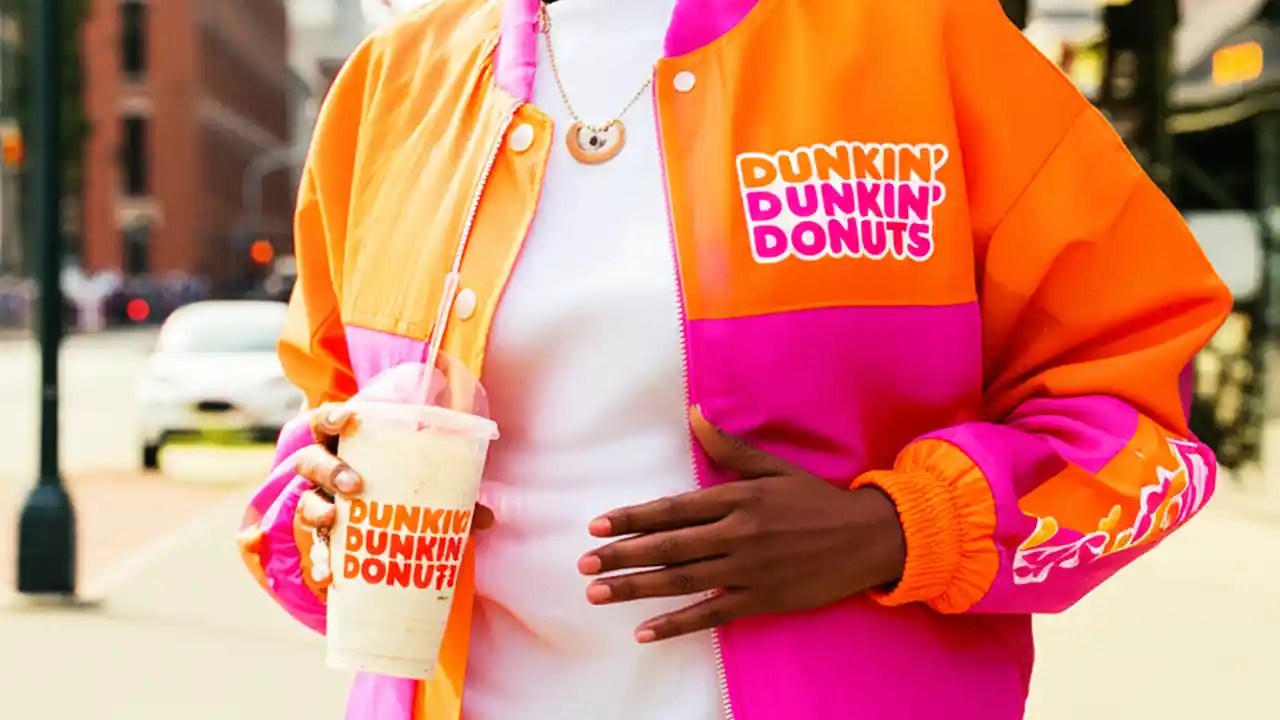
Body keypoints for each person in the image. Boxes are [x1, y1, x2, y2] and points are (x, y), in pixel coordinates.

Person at [237, 0, 1232, 718]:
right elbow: (326, 411)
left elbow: (1135, 400)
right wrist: (324, 499)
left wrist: (894, 528)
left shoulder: (925, 39)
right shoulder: (392, 84)